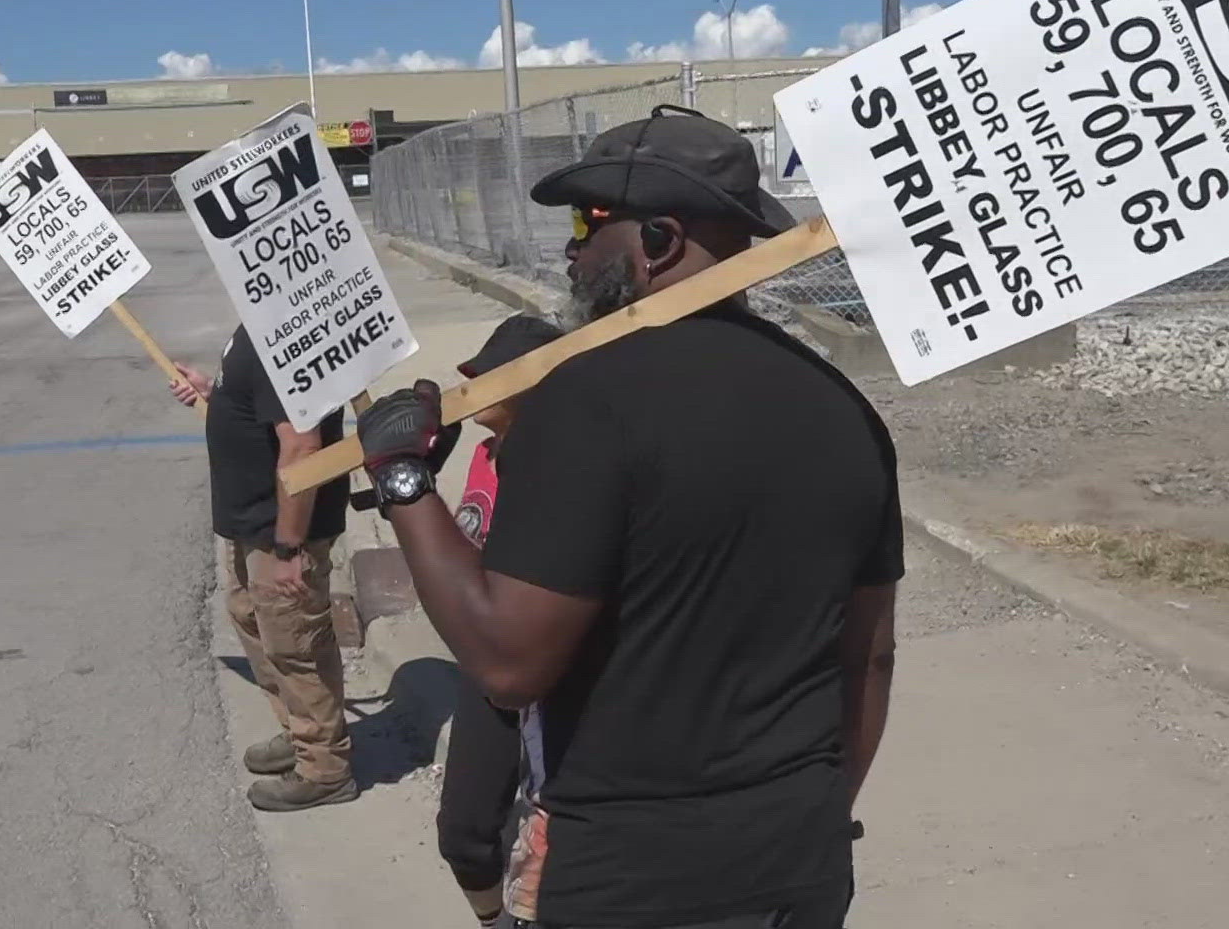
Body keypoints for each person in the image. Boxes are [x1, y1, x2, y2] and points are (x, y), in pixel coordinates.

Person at [355, 104, 902, 929]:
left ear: (658, 243)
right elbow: (869, 660)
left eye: (587, 223)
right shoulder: (846, 411)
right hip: (803, 862)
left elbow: (508, 664)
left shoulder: (588, 400)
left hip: (636, 882)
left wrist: (402, 481)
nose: (572, 251)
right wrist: (811, 817)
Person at [169, 328, 358, 812]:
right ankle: (301, 733)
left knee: (294, 642)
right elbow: (265, 408)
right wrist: (217, 393)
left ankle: (324, 768)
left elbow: (302, 446)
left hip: (281, 529)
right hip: (253, 522)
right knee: (256, 622)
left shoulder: (284, 333)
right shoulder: (257, 326)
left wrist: (289, 547)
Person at [431, 315, 564, 929]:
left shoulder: (567, 467)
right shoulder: (484, 454)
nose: (476, 385)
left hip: (549, 673)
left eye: (494, 376)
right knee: (462, 831)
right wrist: (417, 483)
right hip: (485, 660)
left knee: (552, 851)